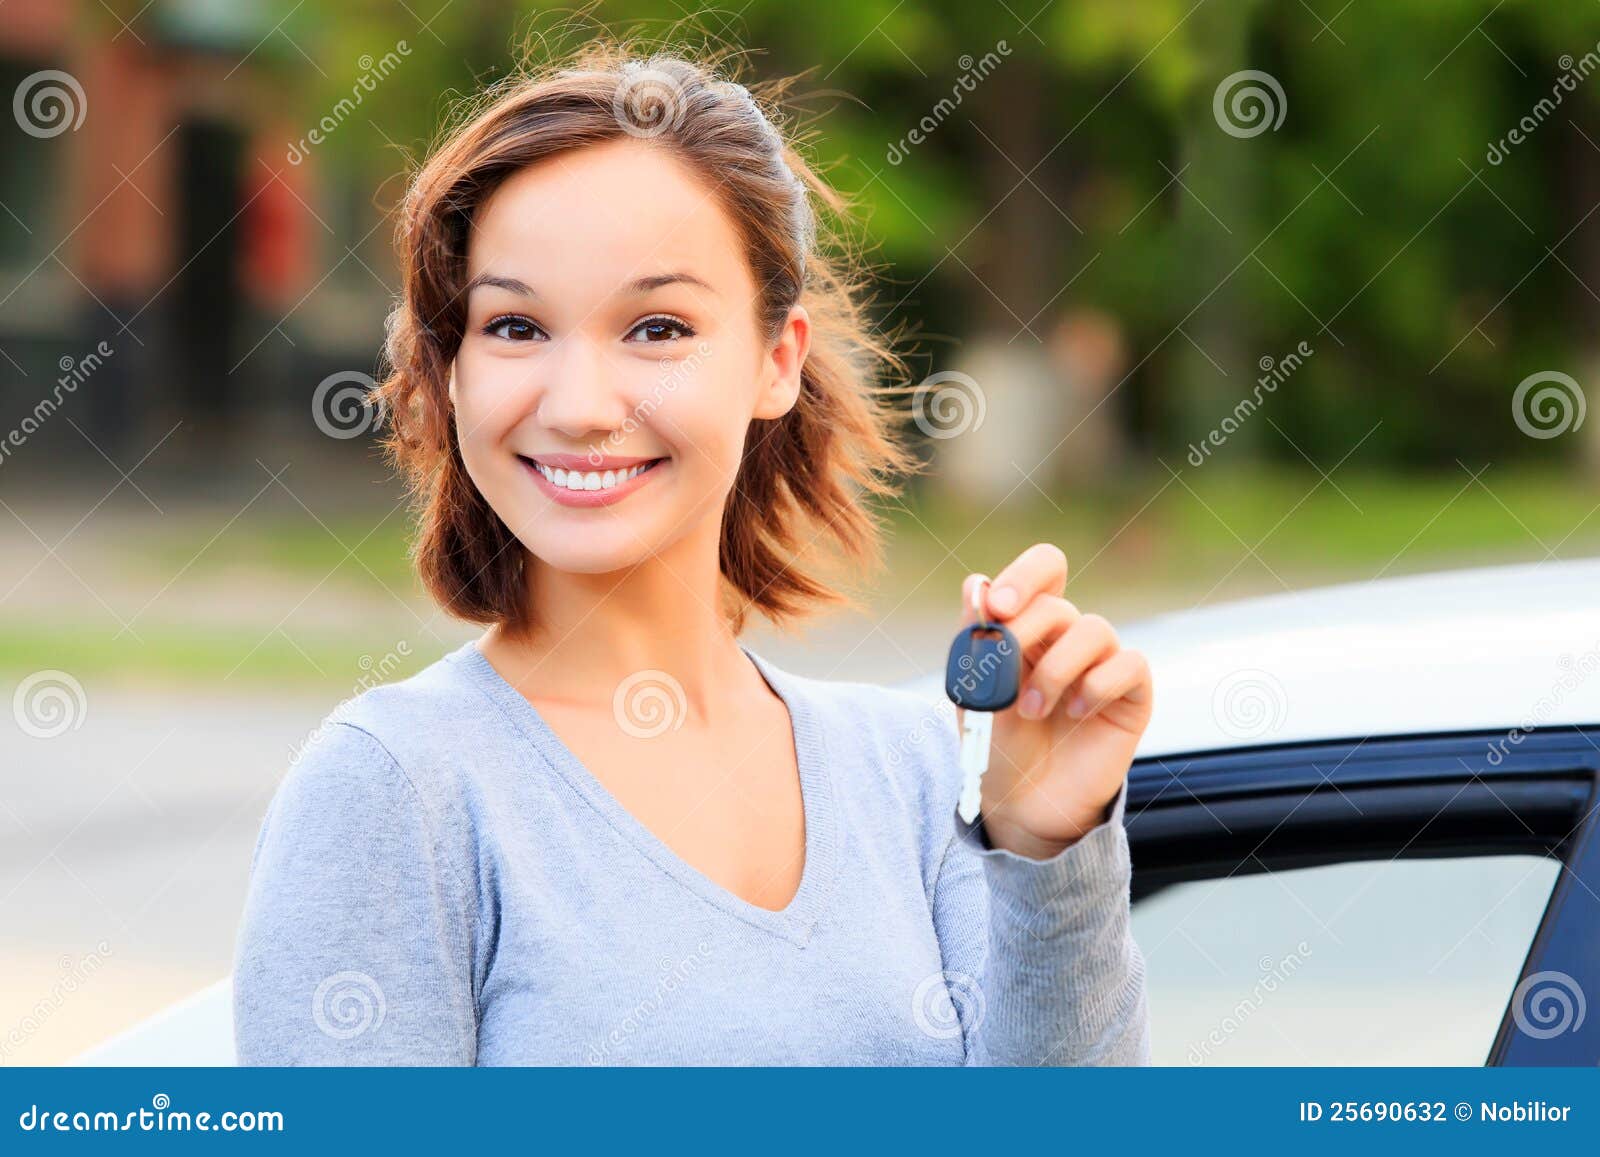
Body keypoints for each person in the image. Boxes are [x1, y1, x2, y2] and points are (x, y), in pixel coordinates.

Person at [232, 40, 1154, 1066]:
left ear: (776, 360)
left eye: (658, 326)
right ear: (451, 370)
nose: (580, 406)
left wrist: (1050, 851)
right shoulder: (394, 788)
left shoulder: (911, 767)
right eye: (516, 326)